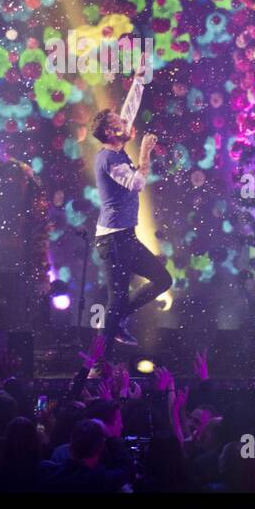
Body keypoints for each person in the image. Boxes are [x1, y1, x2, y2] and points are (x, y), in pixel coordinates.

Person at [88, 52, 172, 346]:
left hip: (126, 237)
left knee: (162, 280)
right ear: (111, 132)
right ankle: (99, 358)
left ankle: (117, 320)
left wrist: (139, 78)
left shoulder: (115, 148)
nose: (125, 121)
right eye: (117, 122)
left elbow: (130, 107)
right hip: (113, 240)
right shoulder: (110, 158)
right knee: (117, 298)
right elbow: (136, 183)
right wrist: (145, 151)